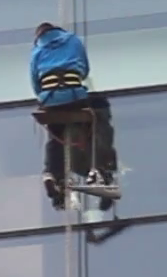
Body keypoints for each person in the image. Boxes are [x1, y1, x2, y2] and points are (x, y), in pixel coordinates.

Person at [30, 22, 119, 211]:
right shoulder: (73, 40)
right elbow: (85, 69)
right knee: (98, 116)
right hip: (75, 96)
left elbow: (35, 84)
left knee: (57, 136)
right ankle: (100, 168)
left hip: (51, 100)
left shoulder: (36, 50)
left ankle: (52, 173)